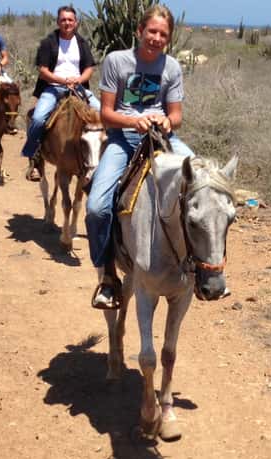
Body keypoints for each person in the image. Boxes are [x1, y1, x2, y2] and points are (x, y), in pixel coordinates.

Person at [85, 4, 193, 309]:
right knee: (96, 207)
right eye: (152, 31)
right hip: (123, 138)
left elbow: (176, 115)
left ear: (168, 39)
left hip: (161, 138)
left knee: (202, 182)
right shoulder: (117, 61)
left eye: (163, 34)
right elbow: (106, 114)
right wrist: (134, 121)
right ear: (139, 31)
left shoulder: (171, 68)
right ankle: (107, 276)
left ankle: (202, 265)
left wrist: (167, 122)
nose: (156, 38)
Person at [21, 5, 101, 181]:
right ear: (58, 22)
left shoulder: (81, 43)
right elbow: (43, 71)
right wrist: (62, 81)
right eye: (63, 19)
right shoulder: (48, 42)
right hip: (53, 87)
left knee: (103, 114)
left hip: (78, 87)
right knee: (38, 117)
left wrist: (78, 81)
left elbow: (89, 69)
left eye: (70, 20)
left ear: (76, 22)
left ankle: (104, 160)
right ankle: (34, 159)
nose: (67, 23)